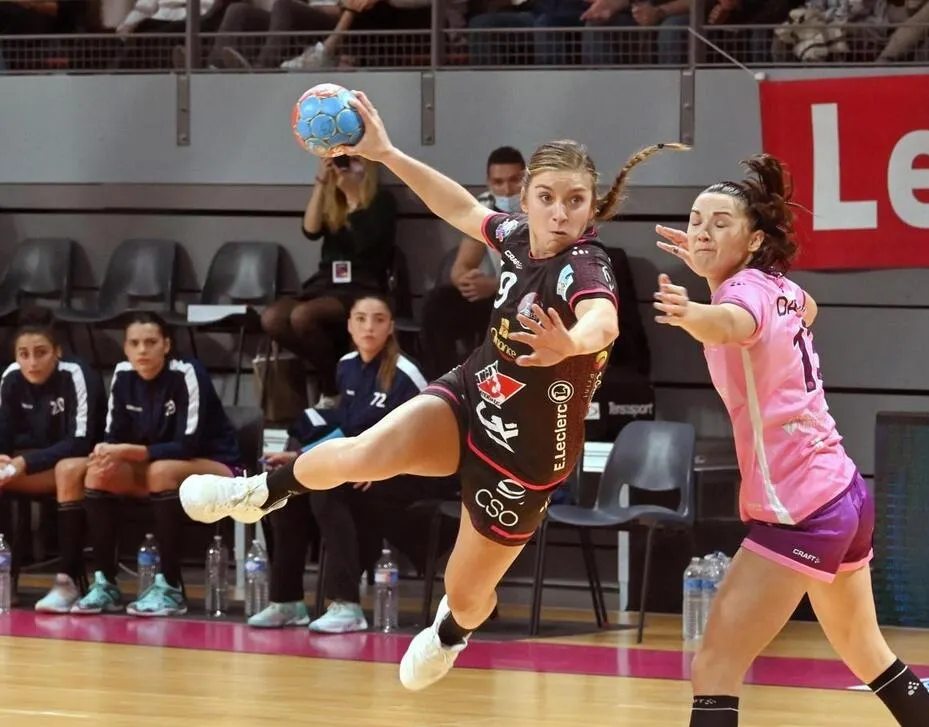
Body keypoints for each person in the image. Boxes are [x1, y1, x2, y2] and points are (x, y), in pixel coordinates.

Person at [179, 90, 687, 690]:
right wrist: (388, 153)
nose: (558, 213)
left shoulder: (586, 264)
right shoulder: (519, 237)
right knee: (365, 451)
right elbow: (456, 207)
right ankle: (260, 492)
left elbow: (603, 318)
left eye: (574, 202)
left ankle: (451, 634)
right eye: (545, 198)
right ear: (523, 199)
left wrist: (571, 345)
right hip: (473, 396)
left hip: (523, 462)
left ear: (590, 209)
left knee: (467, 593)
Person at [651, 154, 929, 727]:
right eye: (695, 221)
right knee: (868, 654)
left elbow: (732, 323)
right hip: (842, 492)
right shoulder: (777, 287)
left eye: (720, 223)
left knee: (714, 666)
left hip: (802, 508)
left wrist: (694, 312)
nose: (702, 232)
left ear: (754, 237)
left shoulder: (742, 296)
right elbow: (806, 308)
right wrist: (712, 277)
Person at [251, 294, 457, 633]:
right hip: (366, 466)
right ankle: (286, 601)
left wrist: (381, 468)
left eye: (378, 319)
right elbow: (346, 430)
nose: (369, 326)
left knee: (329, 492)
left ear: (390, 327)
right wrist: (301, 455)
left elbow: (427, 435)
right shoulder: (346, 366)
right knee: (286, 493)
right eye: (360, 318)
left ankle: (345, 604)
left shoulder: (408, 374)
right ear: (349, 325)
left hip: (414, 471)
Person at [66, 312, 243, 618]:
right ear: (125, 348)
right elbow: (113, 437)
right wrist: (108, 454)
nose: (142, 350)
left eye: (150, 342)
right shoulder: (123, 374)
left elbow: (186, 446)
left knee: (162, 471)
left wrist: (127, 451)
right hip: (154, 465)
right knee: (98, 473)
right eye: (134, 343)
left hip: (216, 464)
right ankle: (105, 583)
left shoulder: (187, 372)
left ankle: (171, 587)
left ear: (166, 345)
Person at [261, 153, 397, 408]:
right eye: (342, 161)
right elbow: (310, 230)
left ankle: (331, 388)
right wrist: (322, 183)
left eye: (354, 161)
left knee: (303, 316)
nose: (346, 168)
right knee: (273, 317)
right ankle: (336, 370)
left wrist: (354, 197)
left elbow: (367, 245)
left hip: (363, 283)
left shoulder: (382, 201)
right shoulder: (334, 197)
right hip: (327, 281)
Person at [0, 312, 106, 613]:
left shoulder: (76, 374)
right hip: (34, 464)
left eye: (41, 353)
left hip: (83, 461)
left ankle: (68, 581)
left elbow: (80, 441)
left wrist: (25, 461)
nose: (32, 362)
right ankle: (5, 579)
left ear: (57, 352)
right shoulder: (10, 377)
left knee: (65, 469)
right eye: (24, 354)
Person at [419, 145, 527, 378]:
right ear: (489, 183)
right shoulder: (484, 205)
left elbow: (546, 273)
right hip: (498, 296)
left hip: (534, 296)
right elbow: (461, 267)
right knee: (438, 305)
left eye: (514, 181)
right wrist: (468, 281)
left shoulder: (541, 206)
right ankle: (442, 384)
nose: (507, 190)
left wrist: (495, 285)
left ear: (527, 178)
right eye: (498, 182)